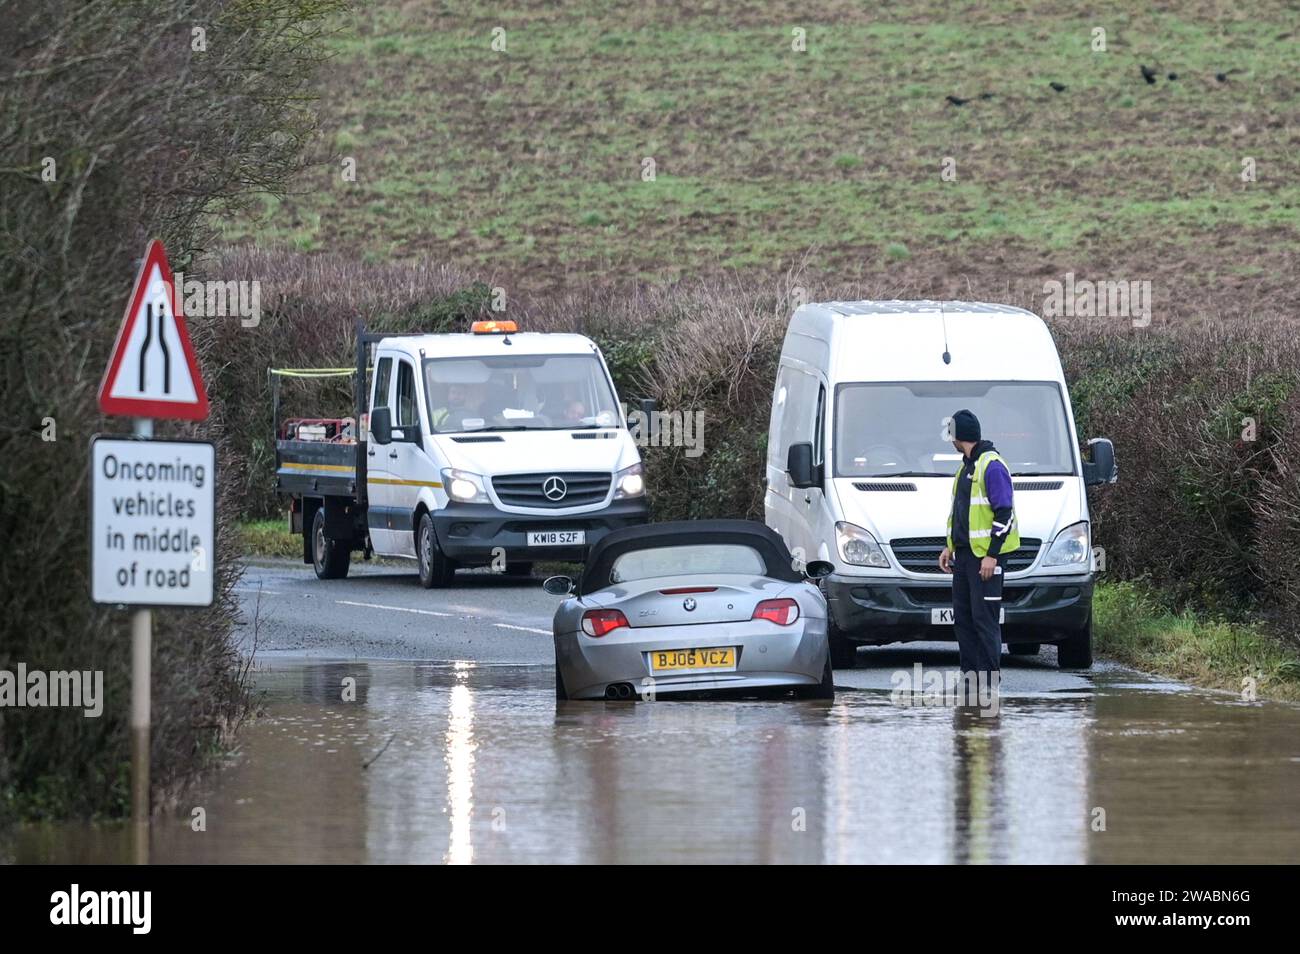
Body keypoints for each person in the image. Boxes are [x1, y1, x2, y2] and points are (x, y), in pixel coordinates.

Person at [937, 409, 1018, 696]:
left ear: (959, 436)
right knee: (964, 617)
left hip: (986, 559)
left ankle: (988, 680)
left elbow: (1004, 512)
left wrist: (992, 555)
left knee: (984, 619)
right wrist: (950, 546)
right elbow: (961, 514)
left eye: (952, 435)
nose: (950, 441)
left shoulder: (991, 465)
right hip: (965, 556)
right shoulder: (966, 467)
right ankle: (970, 676)